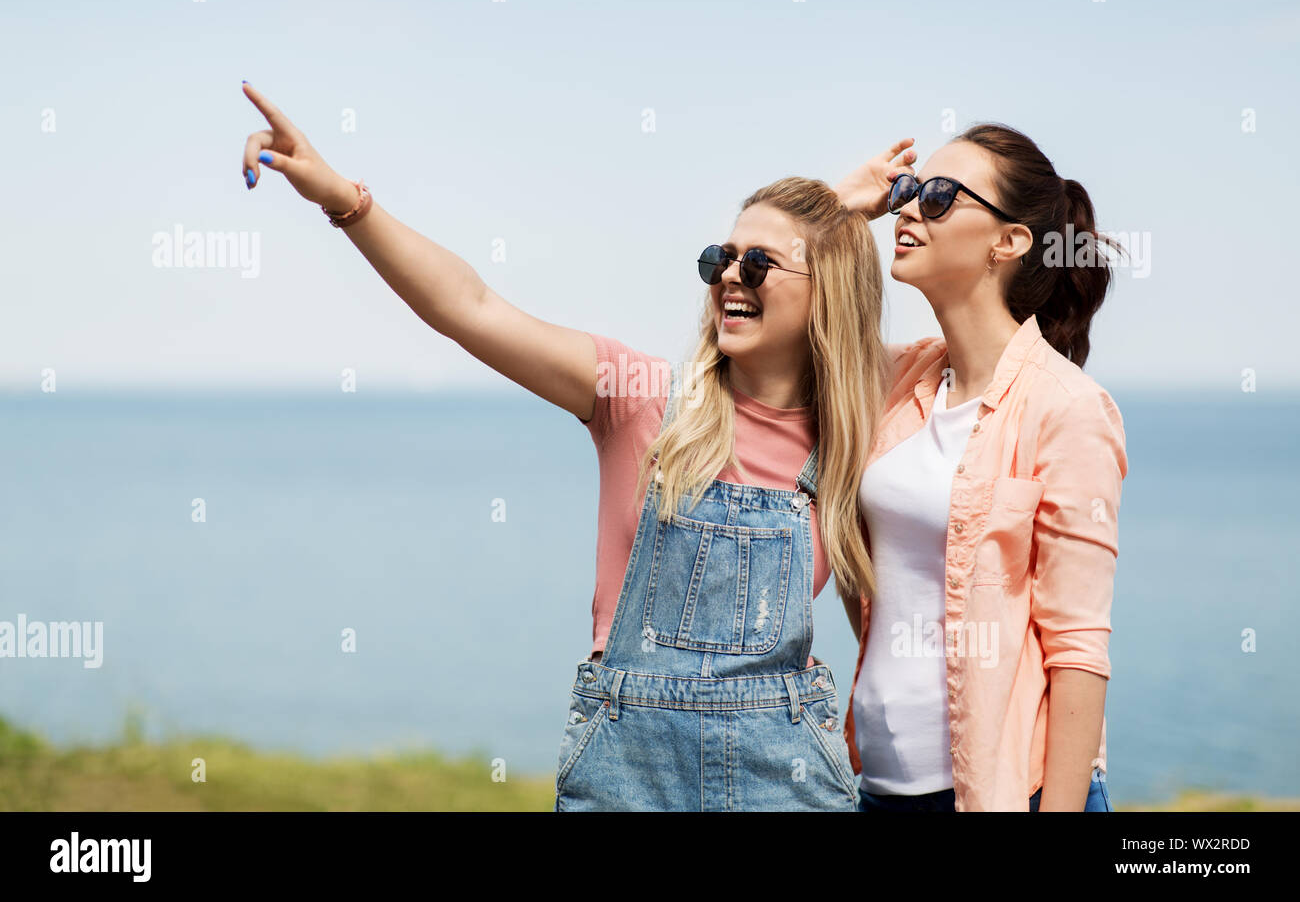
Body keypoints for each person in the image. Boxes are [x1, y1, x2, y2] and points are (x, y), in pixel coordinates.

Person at [237, 81, 908, 811]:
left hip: (787, 783)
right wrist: (344, 198)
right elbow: (470, 307)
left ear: (827, 286)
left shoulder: (861, 421)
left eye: (756, 265)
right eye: (721, 257)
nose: (728, 279)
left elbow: (995, 346)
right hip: (630, 782)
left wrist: (837, 218)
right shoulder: (639, 396)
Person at [833, 124, 1126, 811]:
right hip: (878, 788)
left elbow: (1078, 648)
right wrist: (841, 207)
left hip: (1003, 794)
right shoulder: (896, 381)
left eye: (937, 196)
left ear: (1009, 242)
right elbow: (781, 316)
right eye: (908, 190)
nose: (906, 209)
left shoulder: (1068, 408)